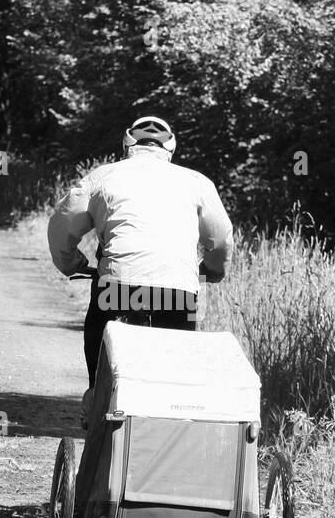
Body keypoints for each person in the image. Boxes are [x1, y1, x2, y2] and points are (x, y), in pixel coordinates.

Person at [47, 115, 234, 397]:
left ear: (127, 145)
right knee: (173, 366)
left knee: (101, 321)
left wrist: (72, 264)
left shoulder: (101, 177)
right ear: (170, 150)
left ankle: (96, 392)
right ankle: (169, 409)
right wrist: (212, 270)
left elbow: (62, 225)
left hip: (117, 288)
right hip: (177, 294)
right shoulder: (198, 183)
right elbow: (220, 239)